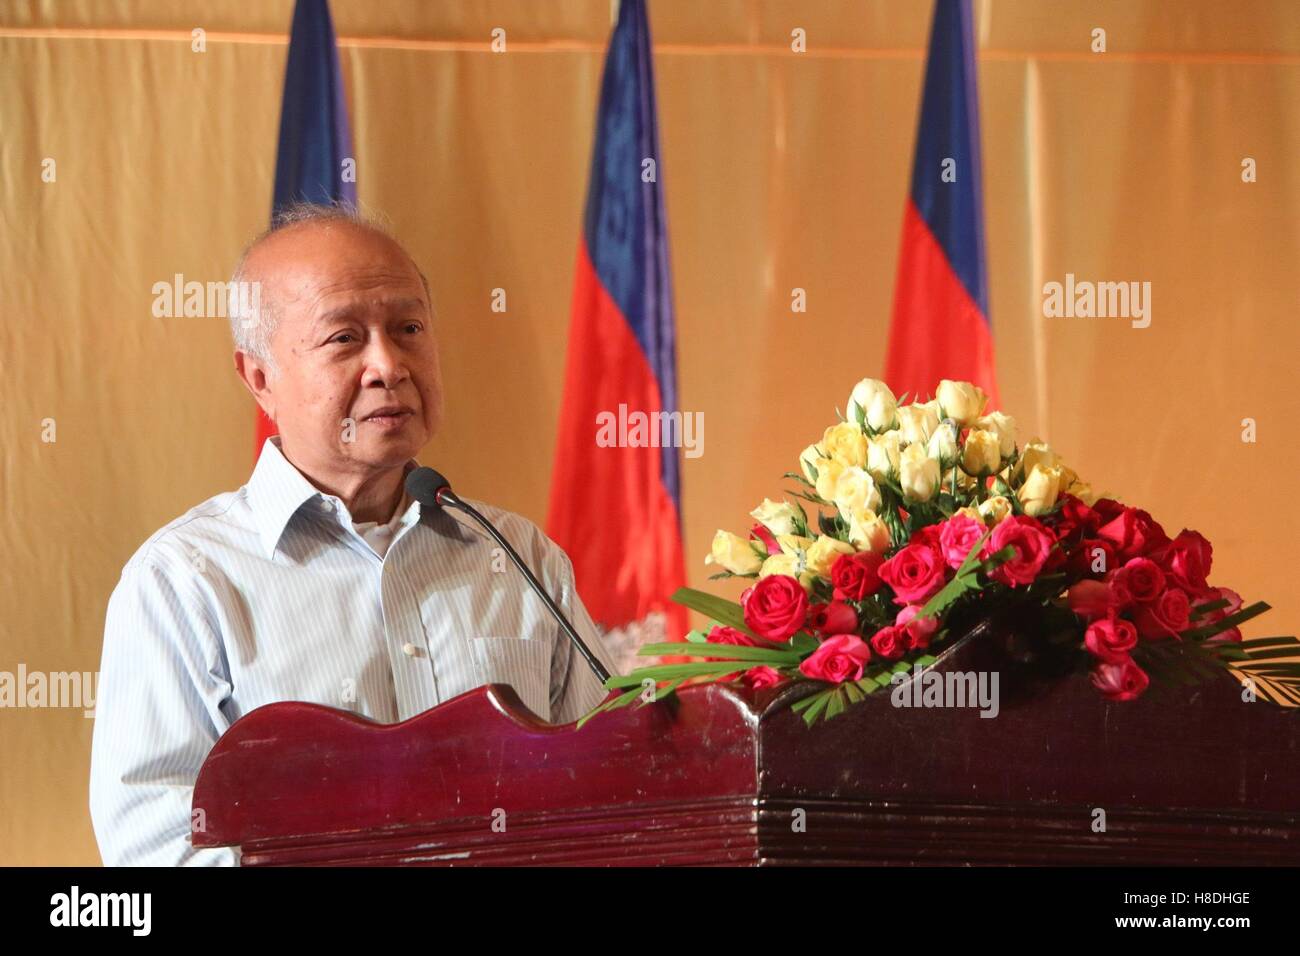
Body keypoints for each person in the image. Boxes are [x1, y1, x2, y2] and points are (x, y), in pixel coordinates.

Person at [89, 203, 618, 866]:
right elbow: (156, 846)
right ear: (260, 377)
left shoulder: (518, 555)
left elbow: (612, 785)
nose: (388, 365)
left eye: (409, 328)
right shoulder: (185, 579)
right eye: (344, 338)